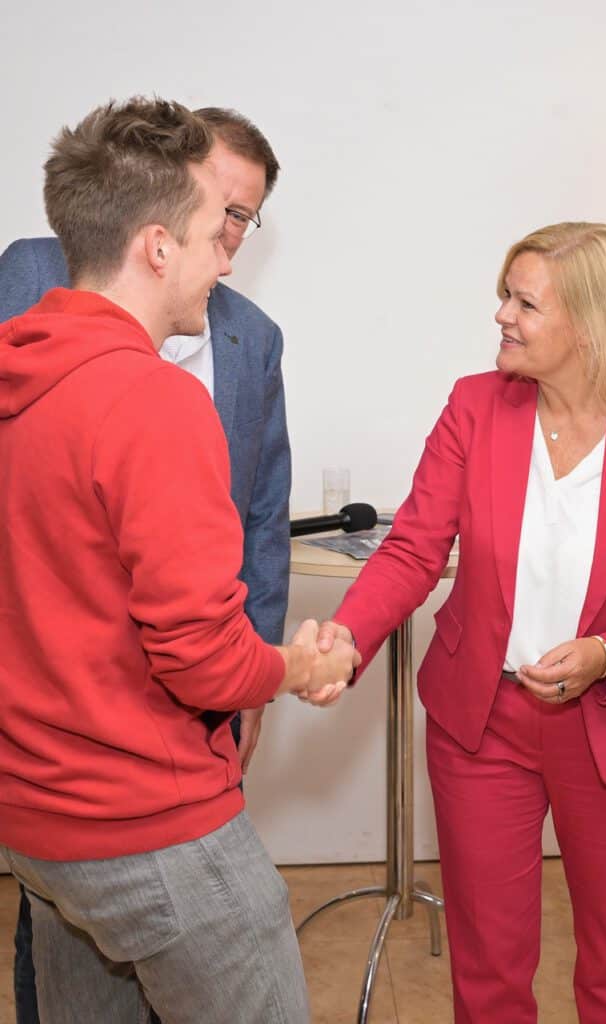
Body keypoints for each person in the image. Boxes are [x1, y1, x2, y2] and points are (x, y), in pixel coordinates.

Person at [0, 96, 358, 1024]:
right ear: (158, 246)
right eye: (215, 233)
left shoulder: (19, 371)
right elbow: (200, 654)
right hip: (150, 826)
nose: (228, 257)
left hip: (38, 821)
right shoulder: (151, 402)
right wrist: (299, 665)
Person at [318, 222, 606, 1023]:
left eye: (524, 302)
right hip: (480, 727)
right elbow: (413, 549)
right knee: (487, 973)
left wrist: (605, 651)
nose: (501, 316)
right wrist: (346, 639)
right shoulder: (474, 407)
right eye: (504, 295)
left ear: (591, 325)